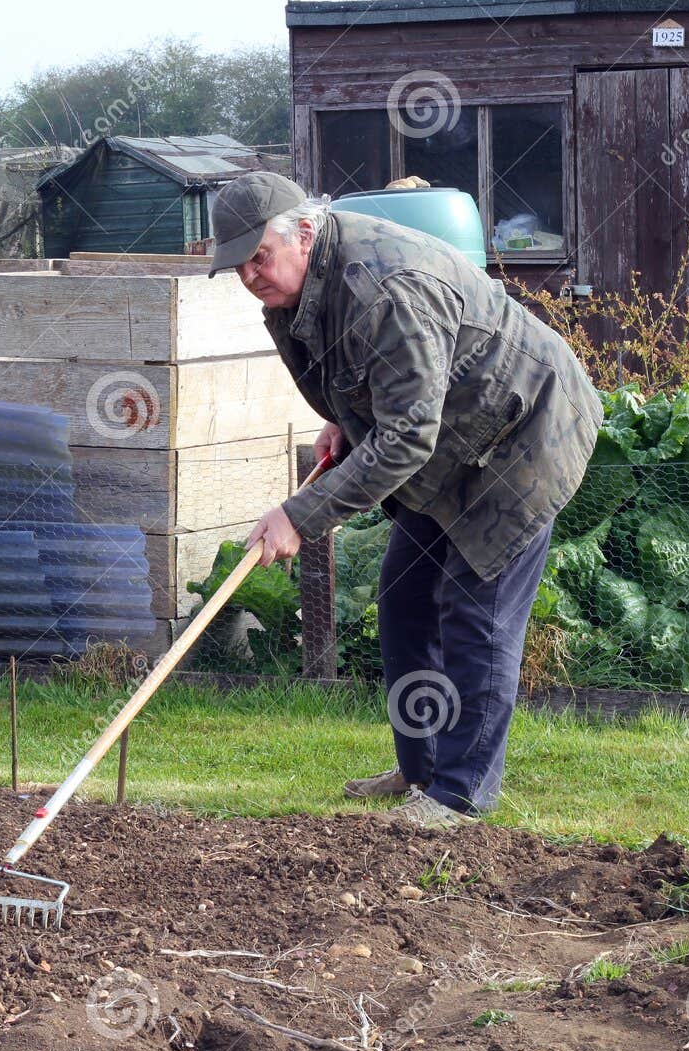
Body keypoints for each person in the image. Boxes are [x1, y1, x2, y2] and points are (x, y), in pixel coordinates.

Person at [206, 172, 601, 828]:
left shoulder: (380, 290)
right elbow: (371, 385)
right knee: (405, 599)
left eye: (259, 258)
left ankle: (458, 796)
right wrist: (342, 417)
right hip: (451, 437)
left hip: (519, 435)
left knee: (477, 617)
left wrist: (301, 516)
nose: (250, 275)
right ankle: (420, 770)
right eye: (238, 264)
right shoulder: (299, 289)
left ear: (303, 233)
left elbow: (407, 438)